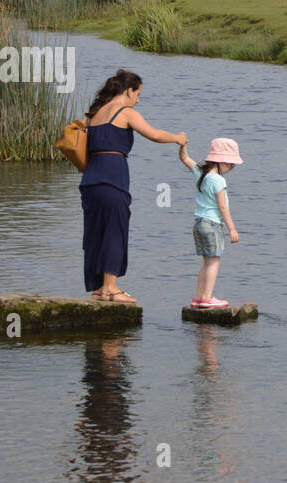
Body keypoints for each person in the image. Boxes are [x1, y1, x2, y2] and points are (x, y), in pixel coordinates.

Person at [80, 69, 186, 302]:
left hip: (90, 179)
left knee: (95, 232)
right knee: (115, 230)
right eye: (138, 94)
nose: (138, 100)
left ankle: (98, 288)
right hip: (112, 176)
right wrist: (178, 138)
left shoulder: (94, 114)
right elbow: (155, 135)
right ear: (129, 91)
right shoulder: (126, 112)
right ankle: (112, 288)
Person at [178, 138, 242, 308]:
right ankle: (207, 297)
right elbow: (223, 206)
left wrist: (183, 145)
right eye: (230, 164)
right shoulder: (218, 180)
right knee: (214, 261)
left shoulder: (200, 172)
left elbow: (185, 158)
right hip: (212, 225)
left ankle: (199, 297)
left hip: (199, 223)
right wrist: (232, 229)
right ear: (221, 162)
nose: (231, 168)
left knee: (206, 262)